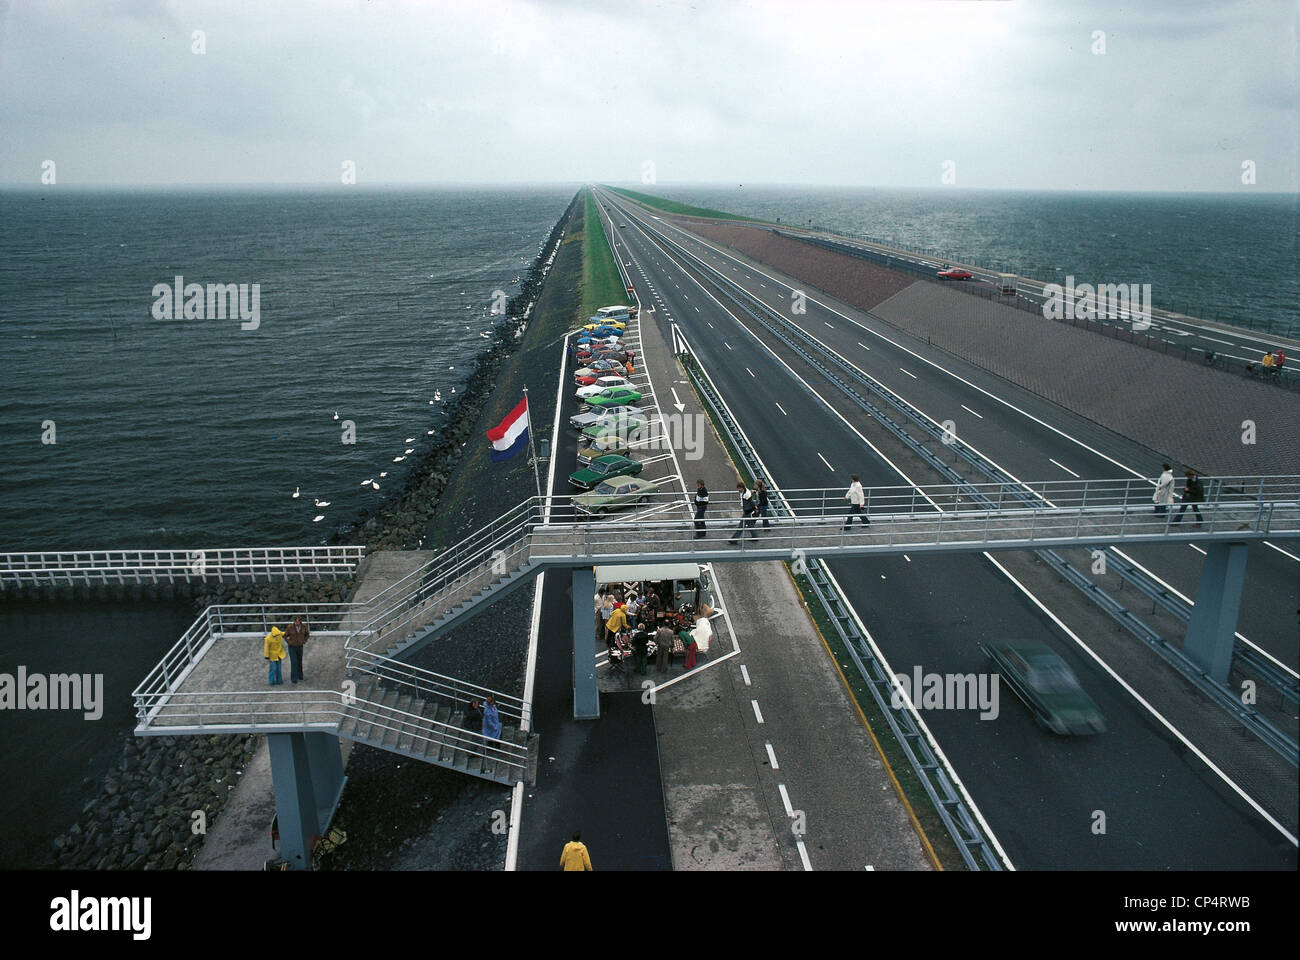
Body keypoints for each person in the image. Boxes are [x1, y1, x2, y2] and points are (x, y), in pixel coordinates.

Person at [284, 615, 310, 684]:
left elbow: (307, 634)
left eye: (298, 621)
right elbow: (285, 636)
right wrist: (290, 642)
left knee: (299, 661)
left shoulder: (304, 626)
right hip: (292, 647)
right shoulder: (290, 627)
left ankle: (300, 676)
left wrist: (304, 641)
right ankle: (294, 678)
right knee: (294, 662)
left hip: (300, 646)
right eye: (295, 621)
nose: (297, 623)